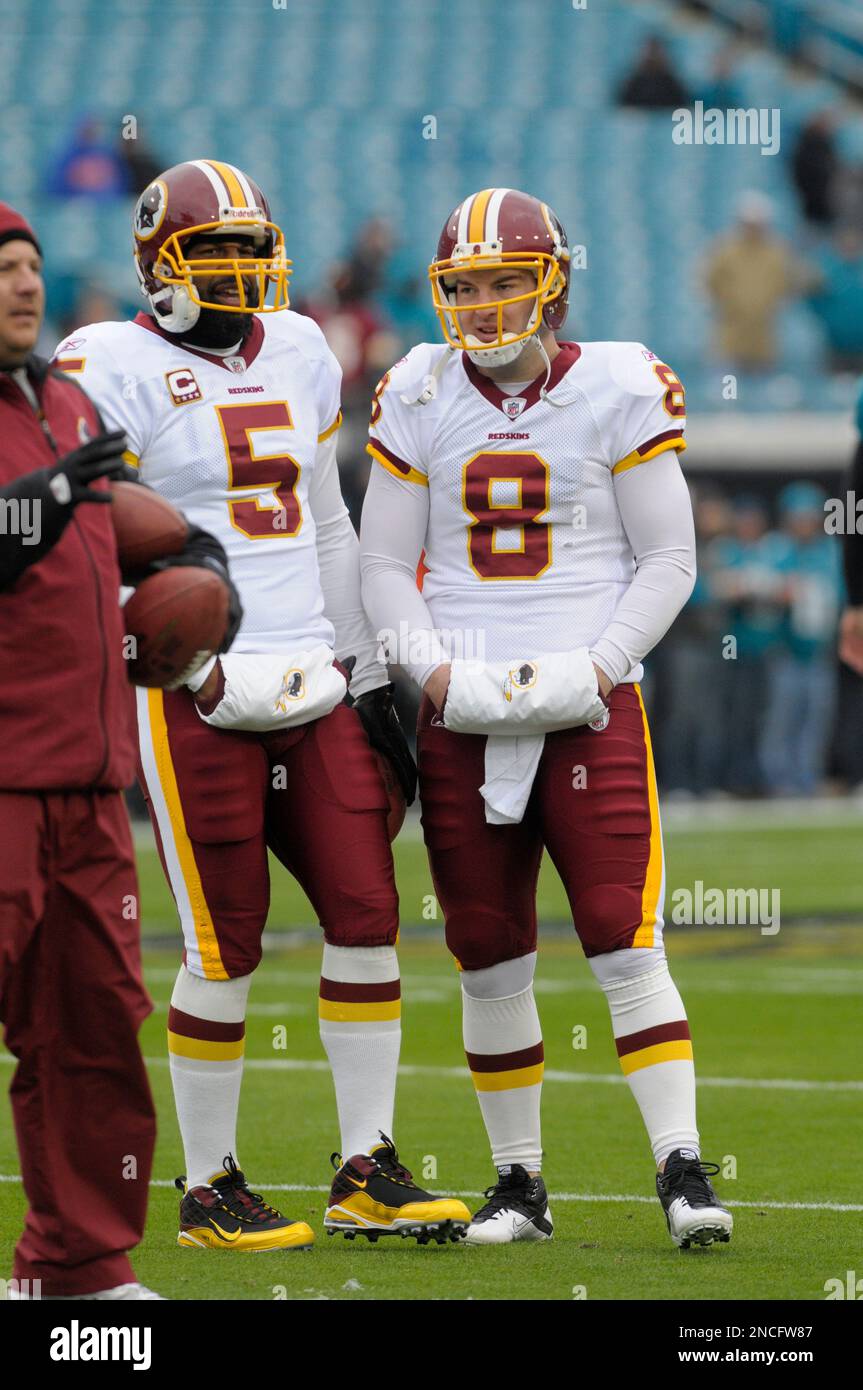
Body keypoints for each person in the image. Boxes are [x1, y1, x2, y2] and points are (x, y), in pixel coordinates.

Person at [54, 161, 469, 1250]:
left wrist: (368, 667)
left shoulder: (297, 348)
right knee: (223, 942)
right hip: (200, 684)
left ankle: (364, 1163)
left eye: (251, 248)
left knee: (367, 915)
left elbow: (328, 523)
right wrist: (180, 665)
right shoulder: (105, 362)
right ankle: (206, 1186)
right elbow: (91, 543)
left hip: (314, 678)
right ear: (159, 266)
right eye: (216, 253)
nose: (242, 271)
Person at [359, 187, 733, 1250]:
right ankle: (517, 1183)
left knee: (621, 934)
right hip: (460, 705)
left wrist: (601, 666)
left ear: (553, 281)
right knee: (483, 949)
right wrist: (430, 677)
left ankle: (680, 1165)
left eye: (504, 282)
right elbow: (384, 564)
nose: (480, 306)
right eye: (463, 287)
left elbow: (668, 557)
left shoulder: (618, 381)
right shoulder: (418, 390)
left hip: (587, 702)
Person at [0, 202, 163, 1299]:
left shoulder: (70, 402)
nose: (22, 285)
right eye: (1, 270)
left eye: (29, 267)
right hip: (0, 778)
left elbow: (107, 554)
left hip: (92, 783)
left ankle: (76, 1266)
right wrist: (30, 510)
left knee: (95, 1029)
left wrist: (194, 573)